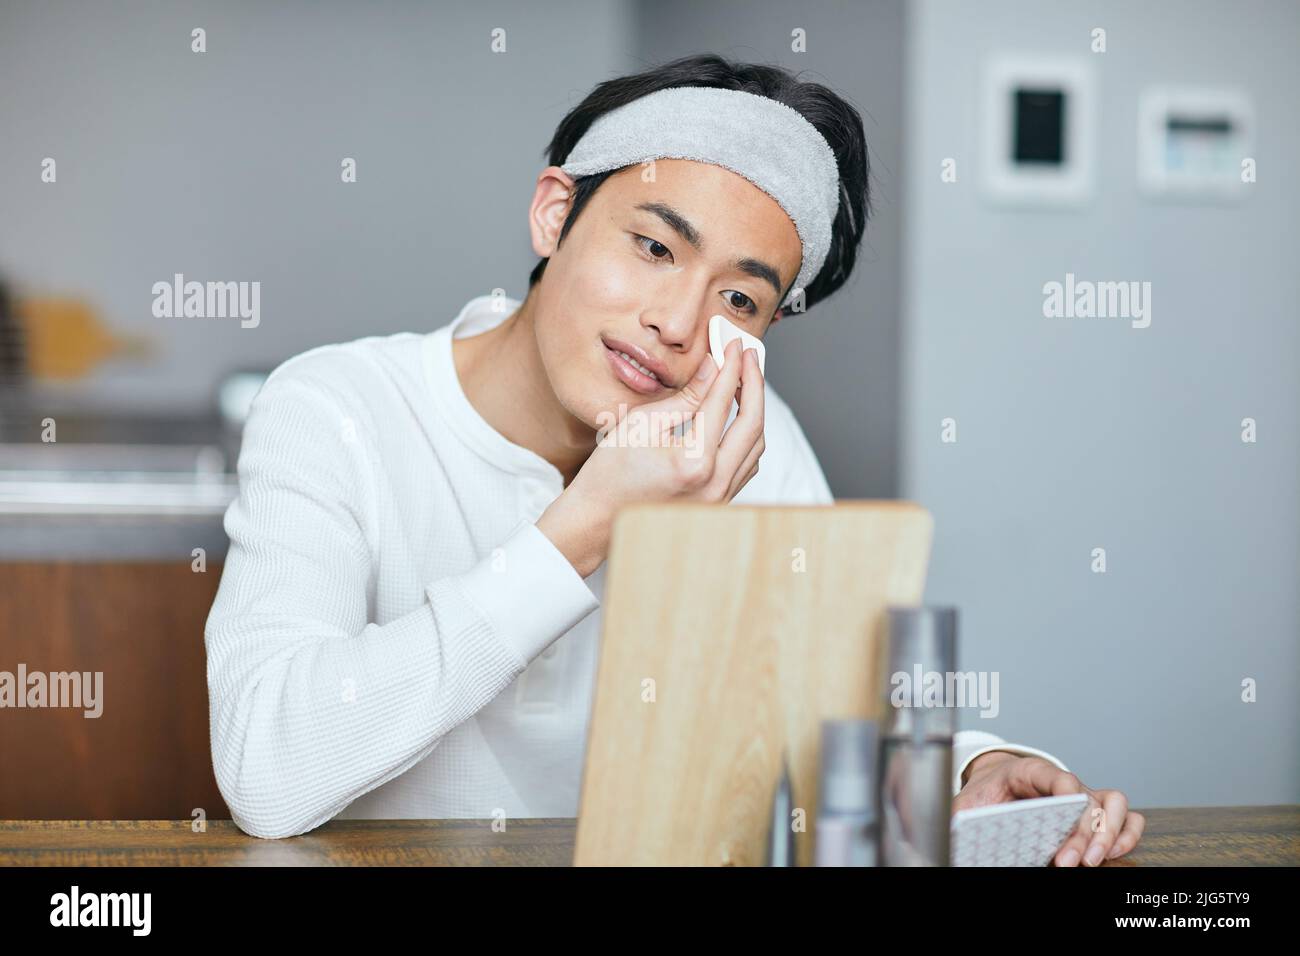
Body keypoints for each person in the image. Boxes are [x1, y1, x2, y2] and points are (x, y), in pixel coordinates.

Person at [205, 53, 1143, 866]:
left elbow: (852, 711)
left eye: (740, 301)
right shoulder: (338, 410)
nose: (678, 324)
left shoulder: (746, 443)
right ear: (553, 212)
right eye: (654, 246)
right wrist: (583, 528)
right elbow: (268, 775)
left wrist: (976, 766)